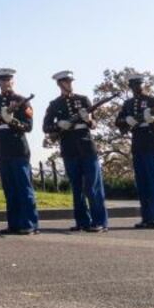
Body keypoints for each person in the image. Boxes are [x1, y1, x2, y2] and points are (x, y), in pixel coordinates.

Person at [41, 70, 108, 233]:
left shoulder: (83, 99)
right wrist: (59, 125)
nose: (69, 84)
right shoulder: (54, 104)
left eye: (70, 81)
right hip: (69, 147)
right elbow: (46, 127)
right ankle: (82, 221)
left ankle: (100, 221)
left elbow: (94, 124)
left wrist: (88, 119)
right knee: (77, 187)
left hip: (87, 146)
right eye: (66, 82)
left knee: (93, 186)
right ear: (59, 84)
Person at [0, 68, 39, 235]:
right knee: (9, 189)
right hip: (1, 147)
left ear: (13, 81)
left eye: (9, 80)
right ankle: (14, 224)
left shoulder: (21, 100)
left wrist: (12, 121)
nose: (6, 83)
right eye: (3, 80)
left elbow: (28, 127)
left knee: (24, 188)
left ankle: (29, 224)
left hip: (18, 147)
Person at [115, 72, 154, 229]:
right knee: (142, 182)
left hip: (151, 141)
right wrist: (127, 120)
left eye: (138, 85)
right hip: (137, 142)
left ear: (143, 85)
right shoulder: (128, 104)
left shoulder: (152, 100)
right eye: (133, 86)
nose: (136, 88)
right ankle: (147, 218)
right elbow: (118, 122)